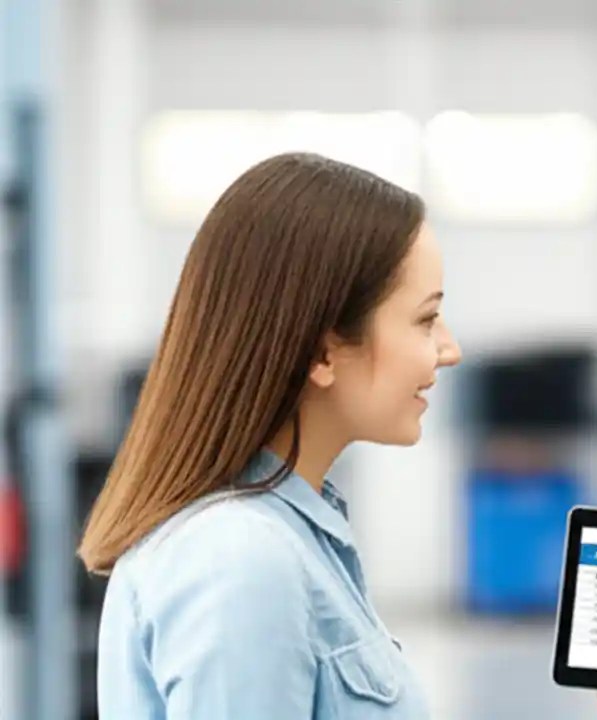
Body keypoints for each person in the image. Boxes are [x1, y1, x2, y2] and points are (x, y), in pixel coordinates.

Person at [78, 152, 461, 718]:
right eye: (425, 320)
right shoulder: (240, 557)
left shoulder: (288, 540)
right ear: (324, 350)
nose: (449, 350)